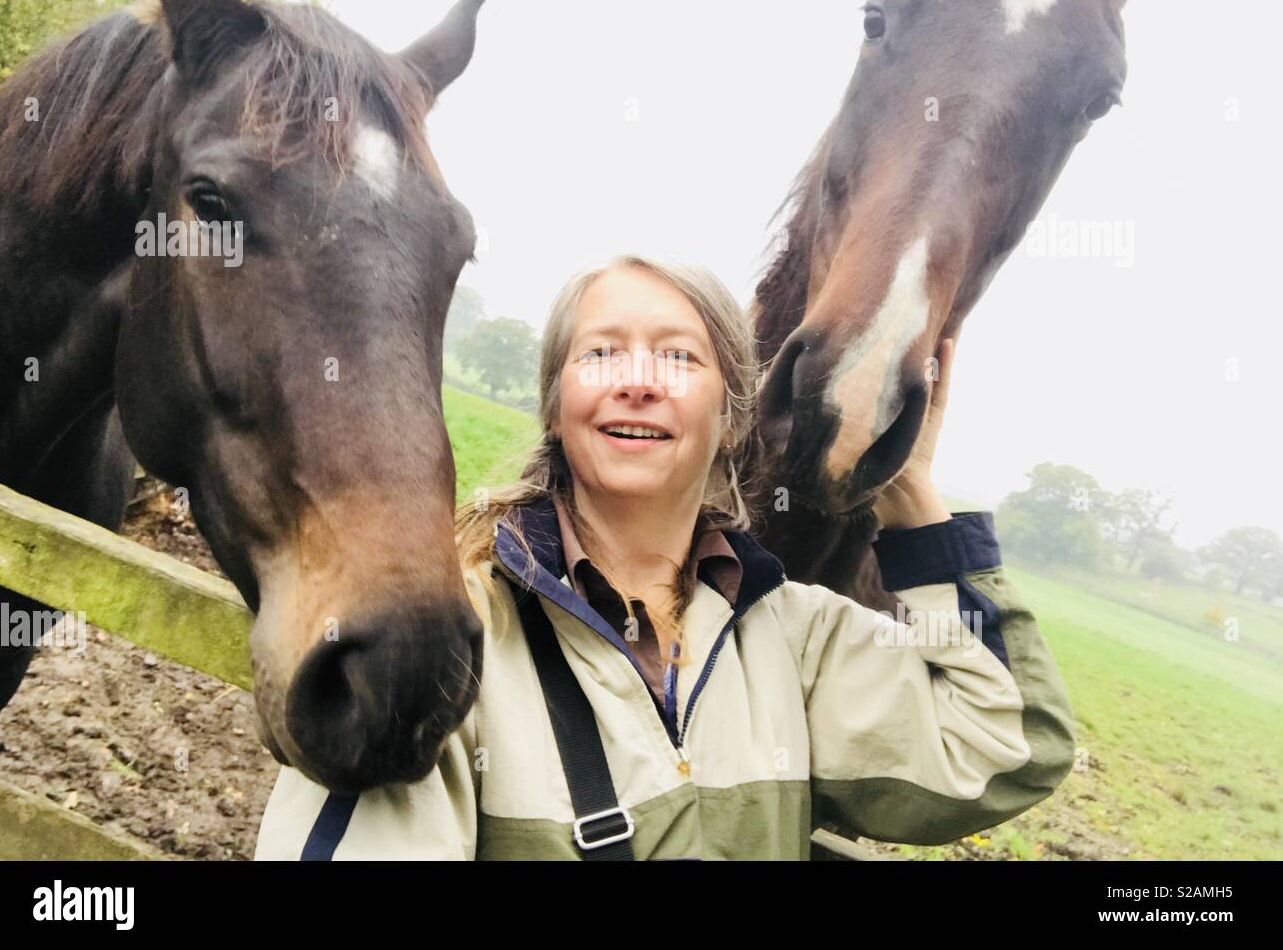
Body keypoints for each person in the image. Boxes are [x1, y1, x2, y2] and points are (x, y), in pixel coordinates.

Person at [254, 255, 1075, 860]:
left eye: (679, 356)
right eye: (602, 352)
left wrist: (914, 495)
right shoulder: (454, 641)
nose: (638, 381)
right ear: (556, 403)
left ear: (732, 414)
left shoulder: (793, 640)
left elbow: (1004, 744)